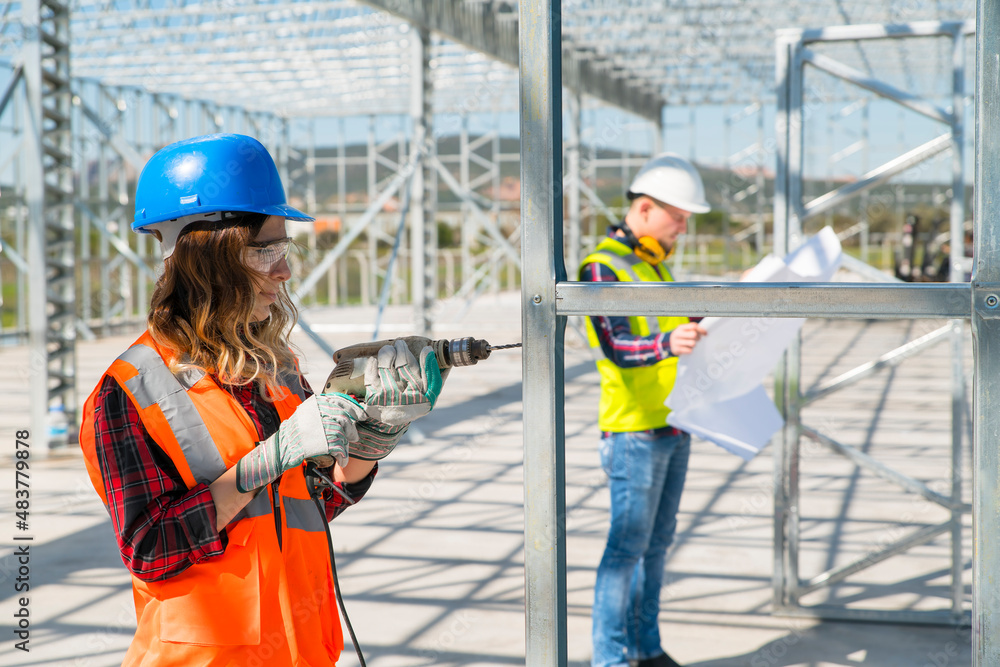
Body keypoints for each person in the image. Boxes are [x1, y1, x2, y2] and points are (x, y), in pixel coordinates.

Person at [79, 133, 442, 666]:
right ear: (207, 257)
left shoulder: (277, 369)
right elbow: (149, 548)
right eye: (265, 249)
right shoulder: (132, 388)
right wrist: (265, 462)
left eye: (284, 248)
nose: (284, 270)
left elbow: (311, 505)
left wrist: (371, 443)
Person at [579, 153, 711, 667]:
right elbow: (617, 345)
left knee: (655, 548)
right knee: (625, 553)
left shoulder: (655, 262)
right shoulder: (602, 266)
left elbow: (671, 321)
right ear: (646, 208)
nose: (683, 227)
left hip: (673, 423)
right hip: (633, 430)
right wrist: (668, 343)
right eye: (678, 216)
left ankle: (646, 649)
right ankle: (611, 659)